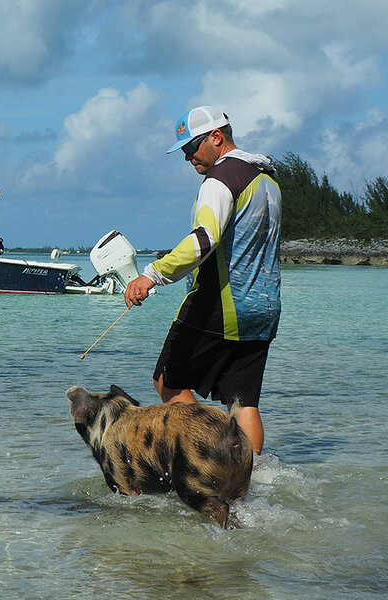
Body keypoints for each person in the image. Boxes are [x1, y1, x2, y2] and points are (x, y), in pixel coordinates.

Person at [124, 106, 282, 454]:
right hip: (263, 308)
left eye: (190, 147)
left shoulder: (220, 179)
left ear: (216, 137)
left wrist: (151, 275)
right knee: (243, 402)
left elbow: (204, 240)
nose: (186, 157)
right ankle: (249, 479)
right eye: (182, 150)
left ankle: (206, 460)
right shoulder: (266, 179)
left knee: (168, 379)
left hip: (220, 305)